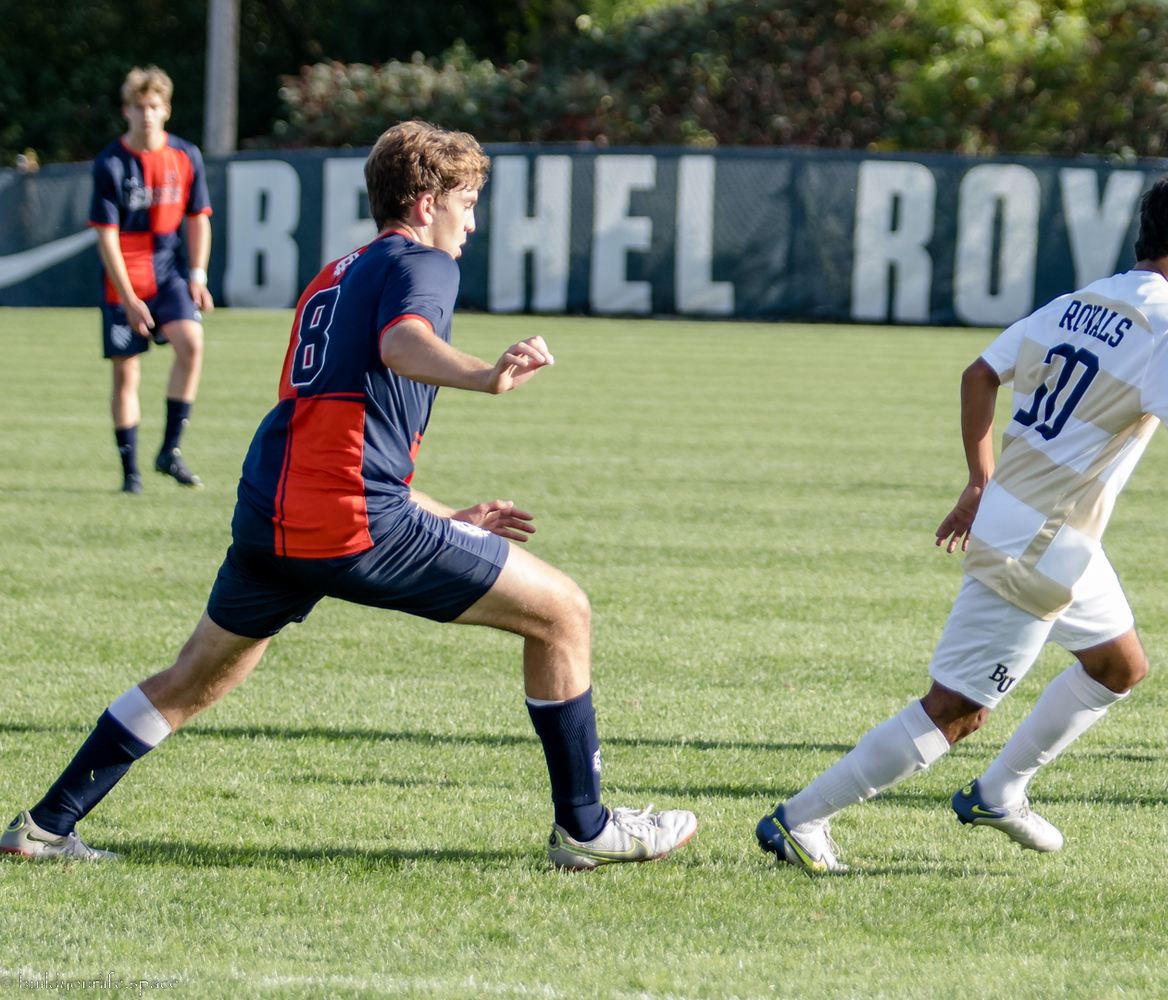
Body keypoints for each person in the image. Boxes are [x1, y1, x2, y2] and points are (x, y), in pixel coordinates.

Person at [2, 122, 697, 868]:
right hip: (345, 522)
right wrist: (484, 375)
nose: (472, 220)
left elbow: (333, 431)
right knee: (564, 612)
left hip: (272, 512)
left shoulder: (337, 274)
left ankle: (42, 828)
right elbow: (403, 343)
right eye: (467, 201)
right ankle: (586, 828)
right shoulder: (424, 262)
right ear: (426, 202)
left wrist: (441, 516)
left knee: (196, 675)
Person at [756, 165, 1168, 872]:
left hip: (1048, 533)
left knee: (1119, 664)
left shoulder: (1083, 299)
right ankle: (800, 819)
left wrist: (981, 481)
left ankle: (1001, 791)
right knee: (957, 711)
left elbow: (979, 375)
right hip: (1038, 544)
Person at [91, 66, 213, 493]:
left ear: (167, 110)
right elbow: (105, 238)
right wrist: (127, 297)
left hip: (168, 272)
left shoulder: (185, 156)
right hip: (124, 277)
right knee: (126, 375)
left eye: (154, 106)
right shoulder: (110, 162)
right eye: (139, 107)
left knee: (191, 344)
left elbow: (198, 220)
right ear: (127, 110)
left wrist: (197, 275)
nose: (147, 114)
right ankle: (131, 475)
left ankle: (170, 452)